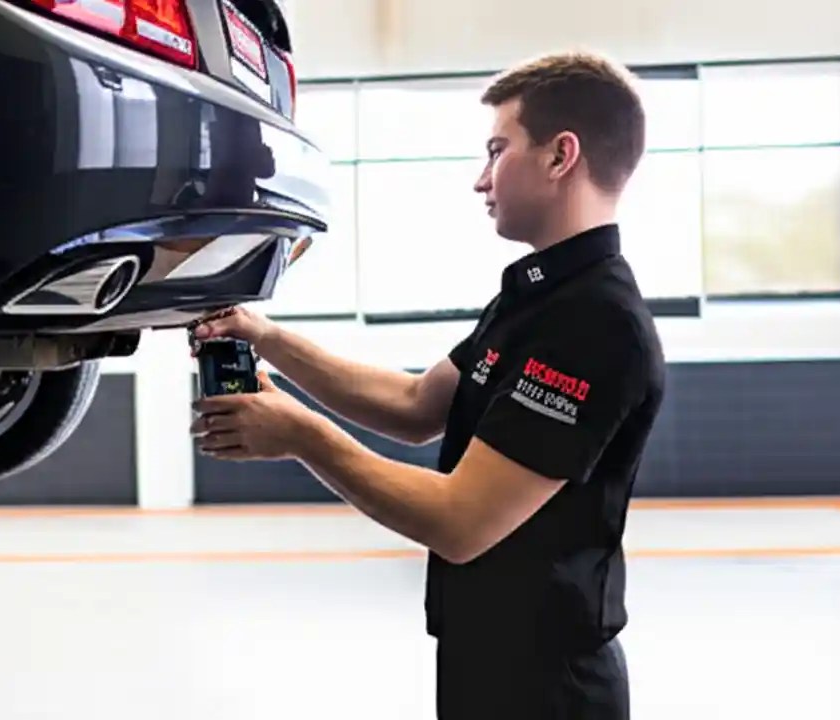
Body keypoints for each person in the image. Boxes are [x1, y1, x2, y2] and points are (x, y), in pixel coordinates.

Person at [189, 49, 665, 720]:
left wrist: (301, 435)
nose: (481, 179)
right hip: (486, 664)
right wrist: (267, 338)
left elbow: (460, 521)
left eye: (498, 150)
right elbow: (416, 405)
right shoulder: (538, 298)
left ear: (561, 157)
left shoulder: (596, 325)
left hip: (548, 690)